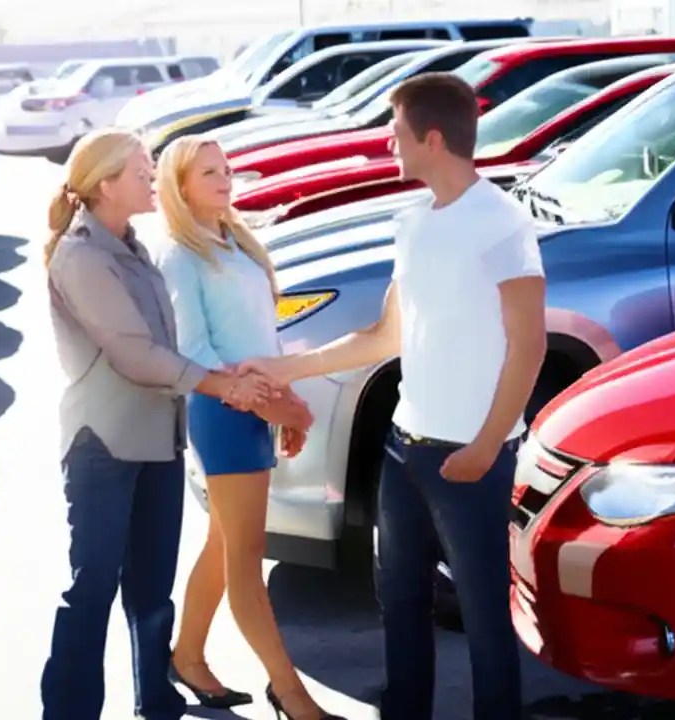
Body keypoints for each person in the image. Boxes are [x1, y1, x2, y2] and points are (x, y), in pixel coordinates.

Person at [240, 73, 547, 720]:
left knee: (486, 616)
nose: (388, 143)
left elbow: (529, 347)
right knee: (400, 600)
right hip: (405, 449)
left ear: (432, 139)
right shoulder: (412, 224)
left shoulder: (501, 223)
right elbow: (384, 337)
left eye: (396, 132)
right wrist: (286, 368)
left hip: (471, 457)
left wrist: (487, 447)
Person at [41, 128, 277, 720]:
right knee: (93, 587)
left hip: (157, 441)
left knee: (151, 588)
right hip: (103, 446)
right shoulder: (82, 256)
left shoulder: (132, 247)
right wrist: (222, 385)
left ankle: (158, 700)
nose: (153, 177)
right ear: (105, 184)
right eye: (142, 170)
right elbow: (135, 354)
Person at [155, 136, 340, 720]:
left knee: (224, 543)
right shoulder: (180, 255)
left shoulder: (235, 239)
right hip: (224, 413)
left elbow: (260, 337)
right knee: (245, 557)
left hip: (256, 407)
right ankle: (289, 691)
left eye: (226, 168)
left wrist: (286, 399)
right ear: (180, 187)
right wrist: (269, 406)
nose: (224, 179)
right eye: (208, 172)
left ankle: (187, 656)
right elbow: (194, 352)